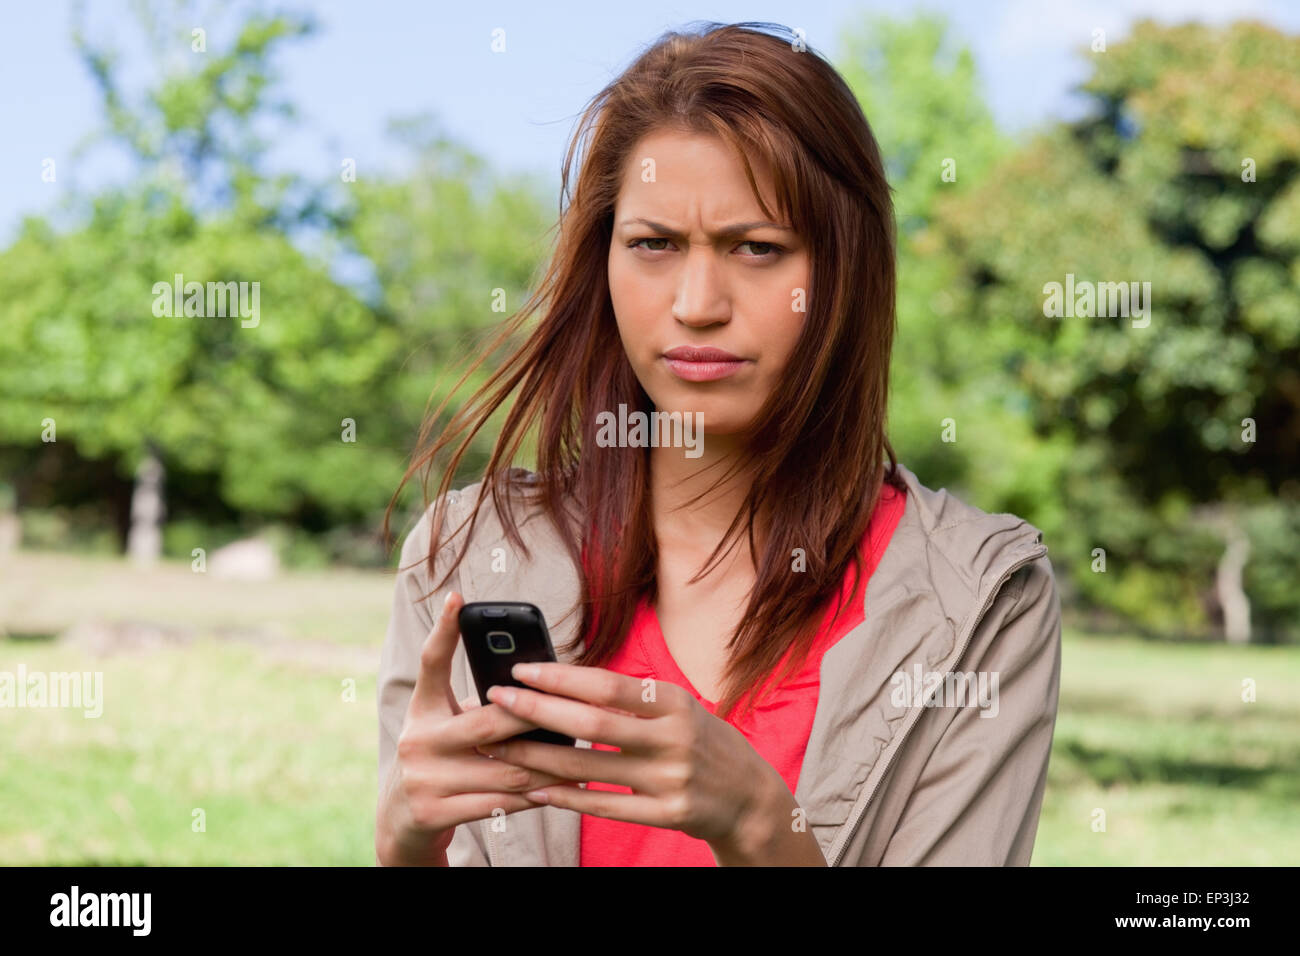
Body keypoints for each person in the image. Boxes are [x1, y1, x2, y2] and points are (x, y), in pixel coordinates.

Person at [375, 20, 1061, 867]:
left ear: (844, 274)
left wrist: (760, 826)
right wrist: (407, 848)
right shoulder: (467, 556)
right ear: (605, 262)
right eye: (654, 245)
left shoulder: (983, 601)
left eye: (758, 248)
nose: (698, 302)